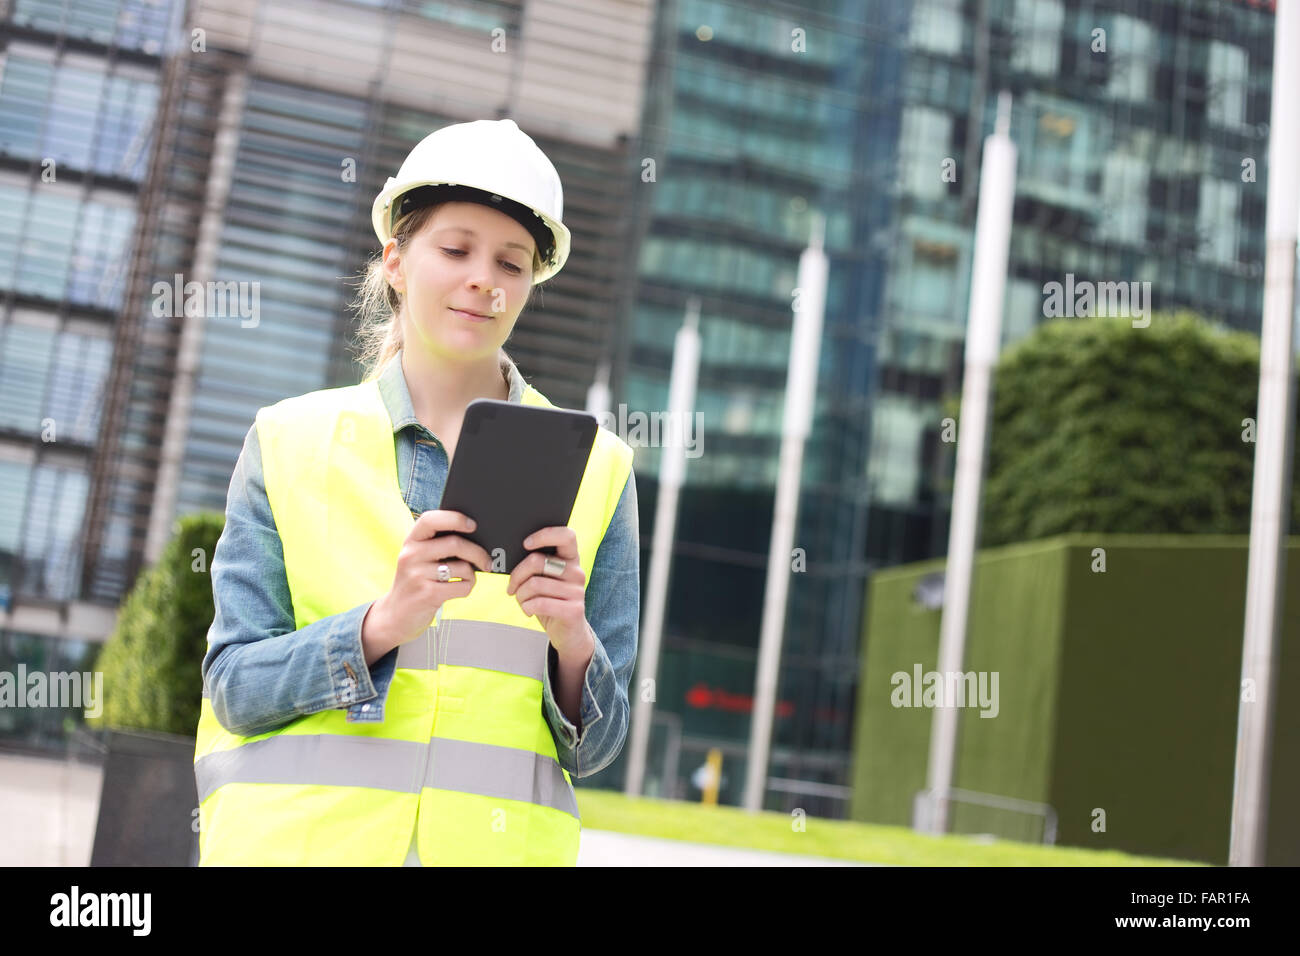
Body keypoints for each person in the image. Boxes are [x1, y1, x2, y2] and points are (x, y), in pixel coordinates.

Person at [193, 118, 640, 866]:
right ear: (396, 261)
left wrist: (571, 641)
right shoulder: (286, 440)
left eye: (512, 263)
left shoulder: (600, 469)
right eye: (456, 249)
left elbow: (597, 751)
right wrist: (380, 624)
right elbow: (234, 687)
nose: (484, 280)